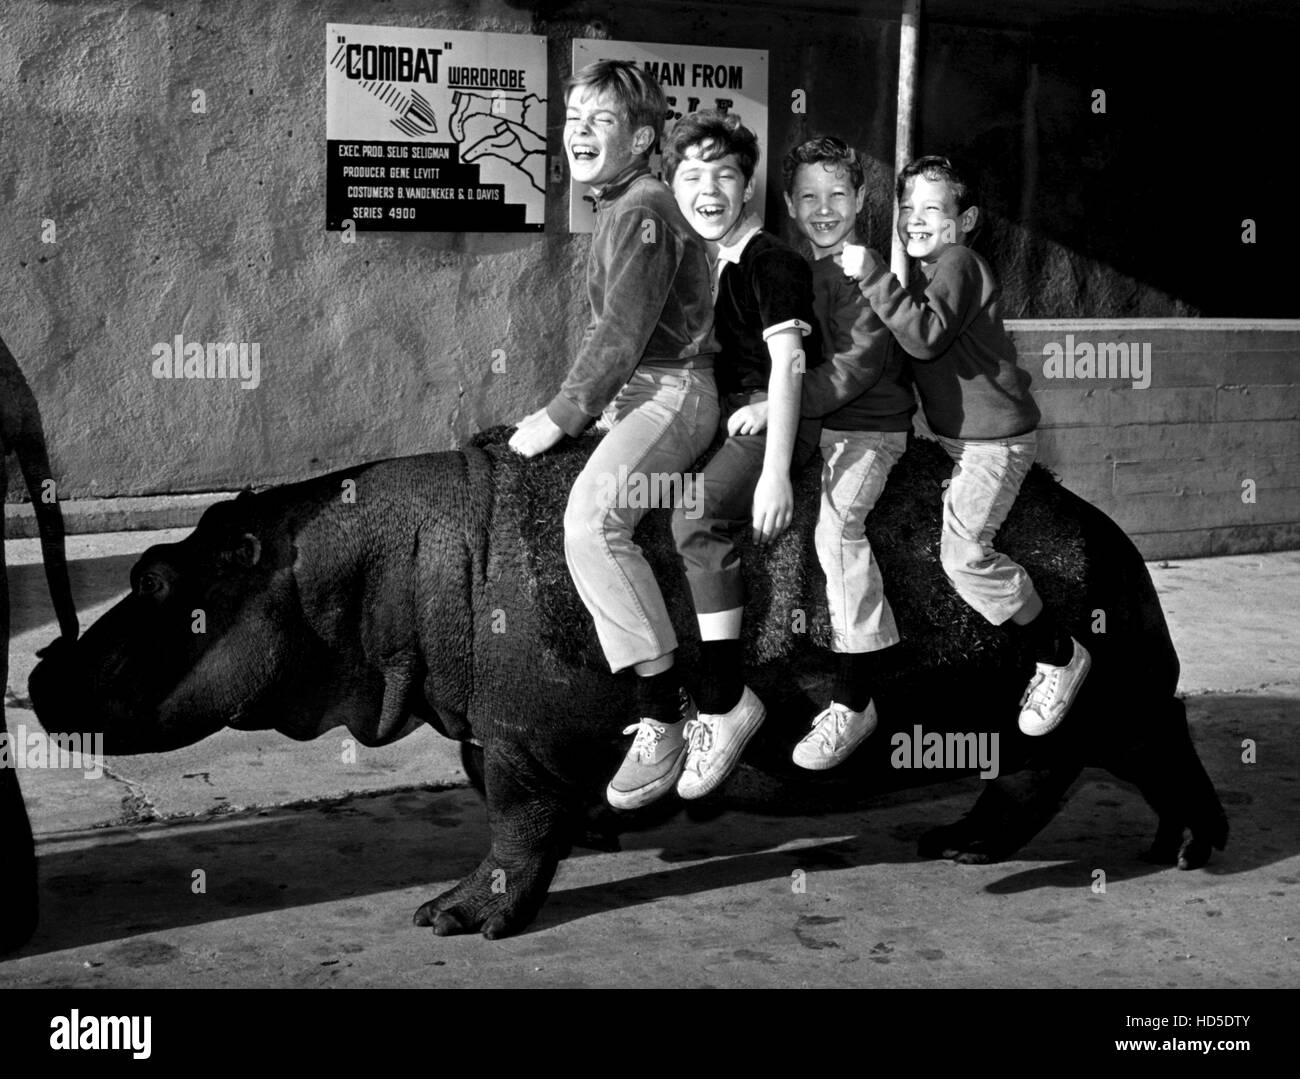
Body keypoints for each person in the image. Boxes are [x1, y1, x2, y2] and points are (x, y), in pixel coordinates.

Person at [508, 61, 719, 808]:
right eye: (573, 120)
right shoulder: (621, 205)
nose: (580, 135)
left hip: (676, 390)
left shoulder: (645, 208)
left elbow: (622, 335)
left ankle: (666, 717)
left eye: (600, 121)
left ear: (641, 135)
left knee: (593, 522)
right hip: (640, 391)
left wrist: (562, 414)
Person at [840, 154, 1090, 736]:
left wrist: (874, 274)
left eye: (933, 208)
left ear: (967, 218)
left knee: (964, 556)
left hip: (993, 445)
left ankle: (1057, 654)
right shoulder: (931, 275)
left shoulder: (958, 263)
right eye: (907, 208)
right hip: (949, 437)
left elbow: (924, 340)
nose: (915, 218)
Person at [663, 111, 821, 798]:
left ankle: (727, 702)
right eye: (692, 174)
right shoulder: (707, 263)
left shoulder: (772, 262)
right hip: (736, 415)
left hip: (777, 419)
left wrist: (777, 472)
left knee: (692, 520)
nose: (709, 188)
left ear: (748, 186)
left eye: (724, 174)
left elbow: (788, 365)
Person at [781, 136, 915, 768]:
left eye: (838, 193)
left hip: (867, 431)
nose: (824, 207)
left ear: (862, 199)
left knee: (838, 528)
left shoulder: (861, 270)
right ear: (789, 203)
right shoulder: (799, 268)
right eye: (809, 195)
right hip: (816, 427)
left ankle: (855, 697)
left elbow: (857, 367)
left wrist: (779, 403)